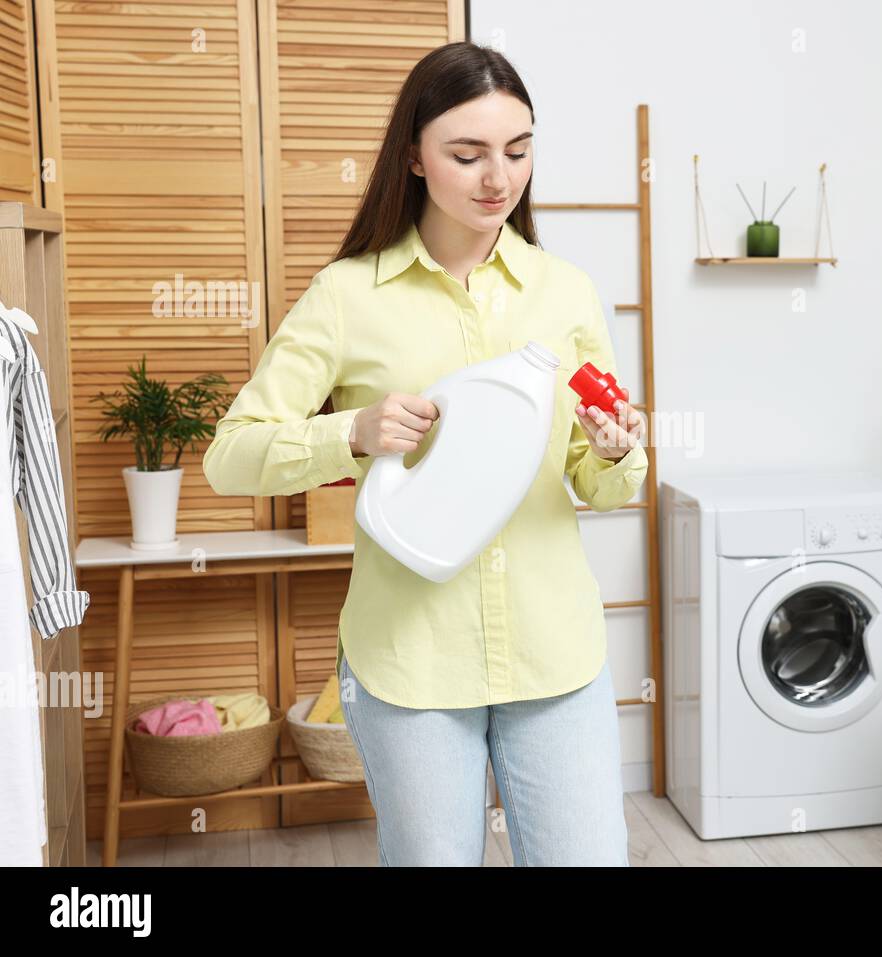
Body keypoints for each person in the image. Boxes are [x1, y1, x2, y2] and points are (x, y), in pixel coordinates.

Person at [202, 41, 649, 866]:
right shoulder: (347, 295)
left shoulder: (566, 292)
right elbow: (230, 457)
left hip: (557, 656)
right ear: (413, 155)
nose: (498, 179)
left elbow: (605, 484)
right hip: (410, 663)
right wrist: (353, 433)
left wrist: (618, 451)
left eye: (518, 152)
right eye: (467, 154)